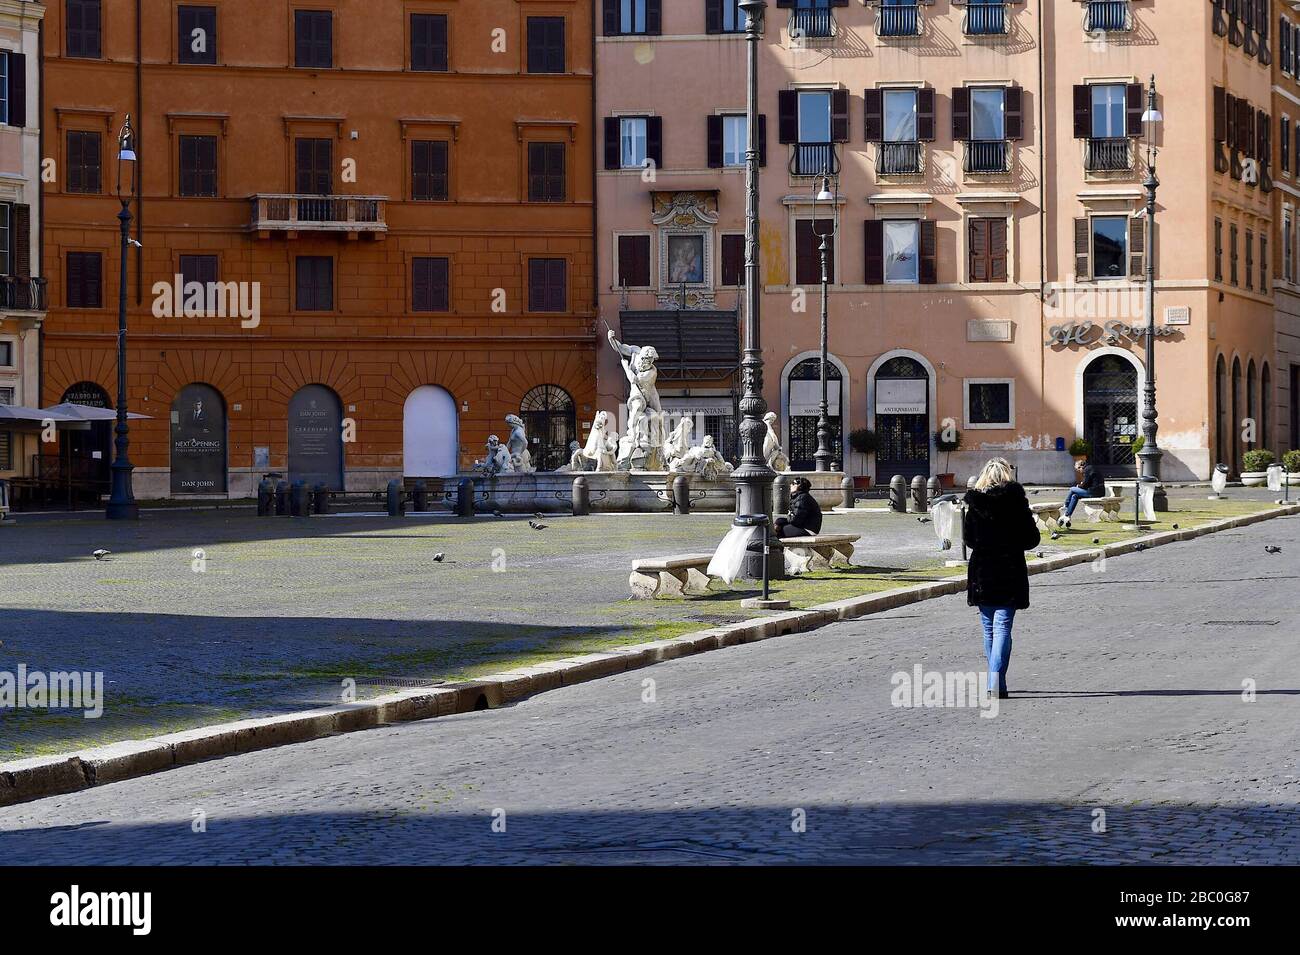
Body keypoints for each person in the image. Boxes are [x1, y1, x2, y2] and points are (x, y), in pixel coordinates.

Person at [964, 457, 1040, 699]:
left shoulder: (975, 504)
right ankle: (996, 681)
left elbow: (969, 540)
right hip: (1009, 567)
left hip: (983, 569)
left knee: (989, 630)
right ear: (1008, 475)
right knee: (1003, 627)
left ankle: (996, 681)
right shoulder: (1017, 503)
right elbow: (1032, 540)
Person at [1060, 453, 1106, 528]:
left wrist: (1079, 486)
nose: (1079, 471)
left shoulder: (1087, 470)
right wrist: (1081, 485)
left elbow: (1085, 485)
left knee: (1072, 489)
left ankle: (1066, 505)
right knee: (1075, 496)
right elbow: (1088, 483)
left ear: (1081, 466)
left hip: (1094, 492)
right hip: (1098, 491)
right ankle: (1067, 515)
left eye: (1078, 469)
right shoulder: (1090, 468)